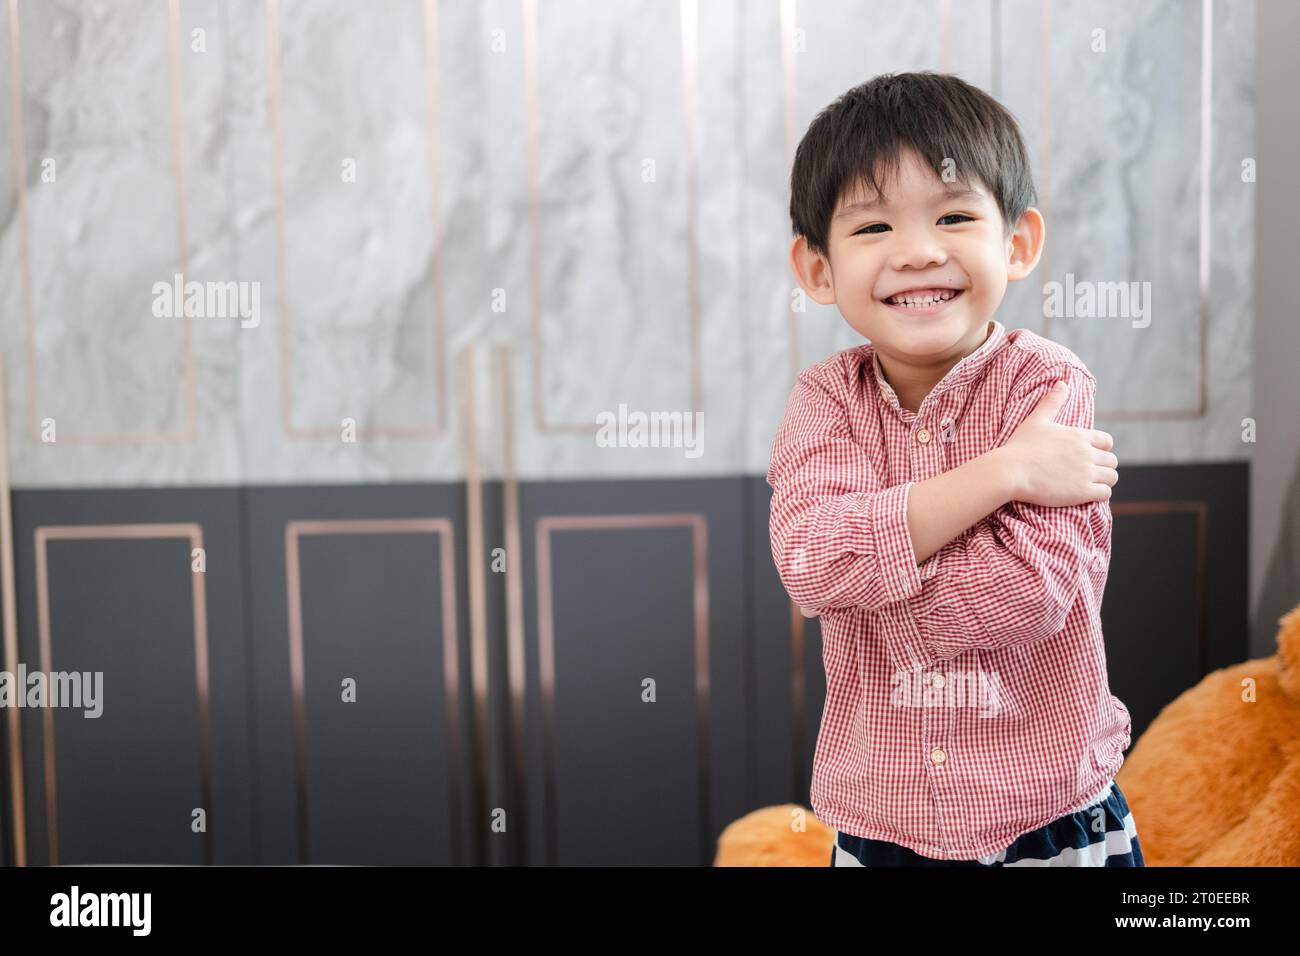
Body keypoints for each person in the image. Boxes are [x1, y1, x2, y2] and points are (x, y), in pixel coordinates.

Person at [768, 71, 1142, 866]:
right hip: (882, 822)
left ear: (1017, 244)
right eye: (872, 230)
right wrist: (1004, 473)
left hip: (1050, 813)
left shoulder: (1048, 386)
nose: (918, 252)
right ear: (817, 269)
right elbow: (812, 563)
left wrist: (872, 581)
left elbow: (1023, 598)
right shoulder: (824, 403)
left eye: (954, 216)